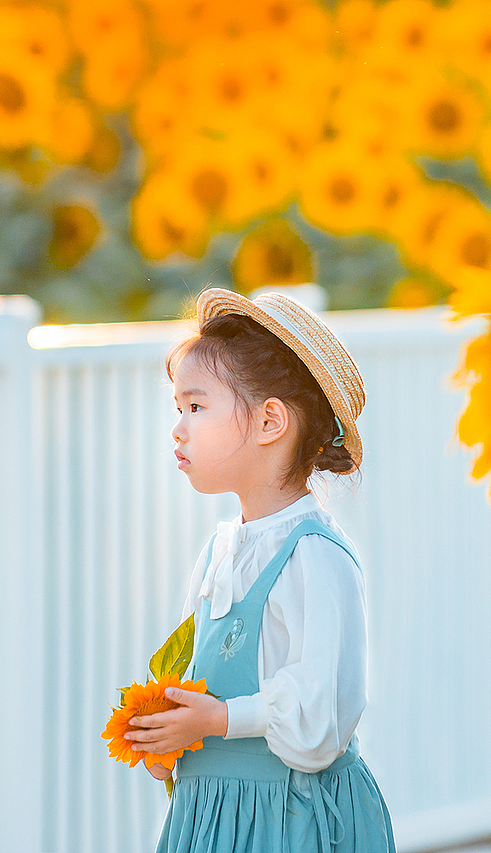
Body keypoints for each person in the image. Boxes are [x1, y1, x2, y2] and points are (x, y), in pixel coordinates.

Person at [124, 287, 396, 853]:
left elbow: (321, 724)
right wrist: (168, 736)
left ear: (271, 420)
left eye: (196, 407)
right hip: (217, 817)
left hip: (285, 820)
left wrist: (221, 719)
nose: (179, 428)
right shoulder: (222, 552)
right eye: (178, 408)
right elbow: (197, 681)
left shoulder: (315, 557)